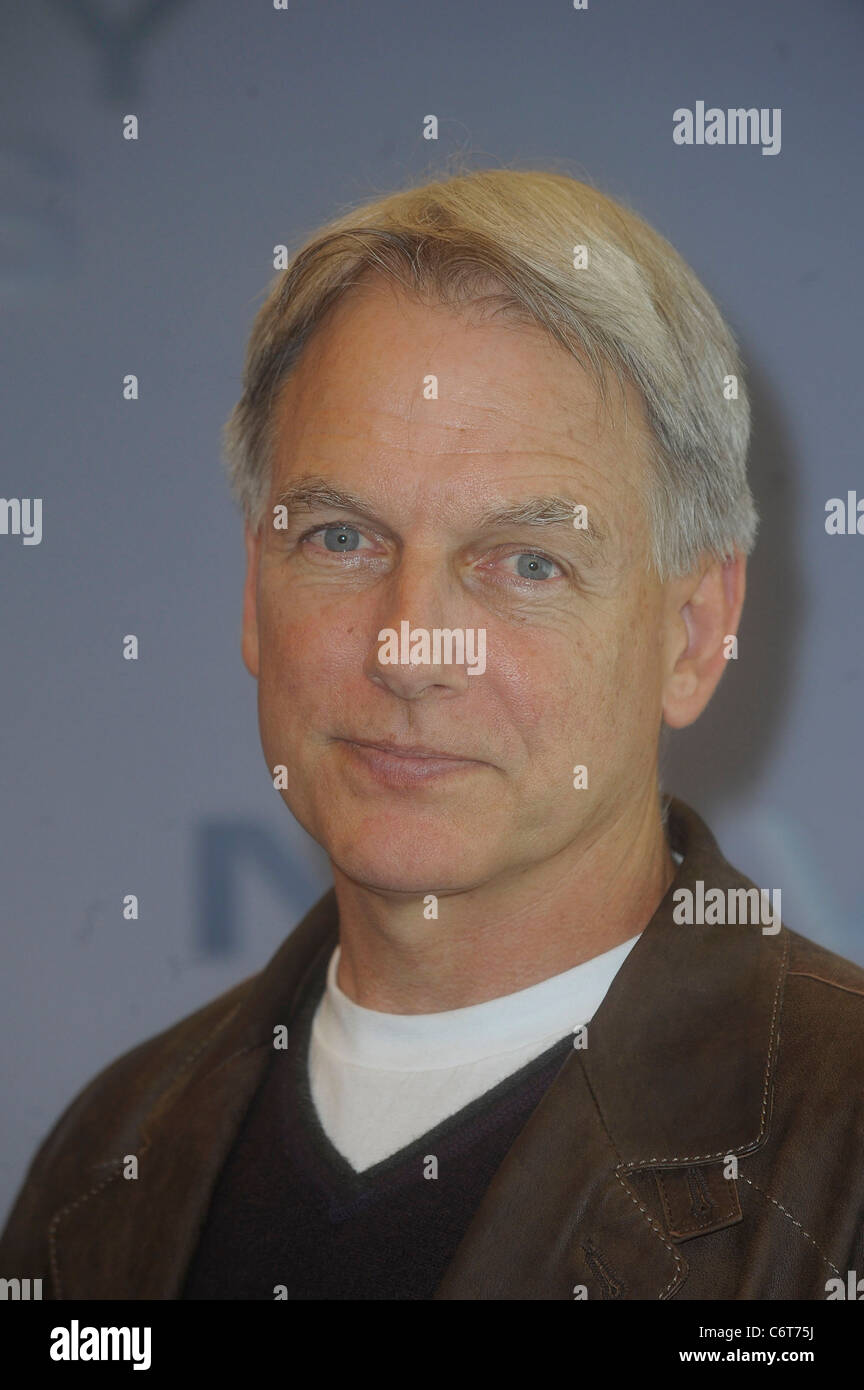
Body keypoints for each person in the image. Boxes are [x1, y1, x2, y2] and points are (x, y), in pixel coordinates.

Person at [3, 168, 863, 1301]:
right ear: (252, 597)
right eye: (340, 538)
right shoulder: (101, 1168)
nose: (409, 651)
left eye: (527, 563)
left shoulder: (841, 1161)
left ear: (695, 635)